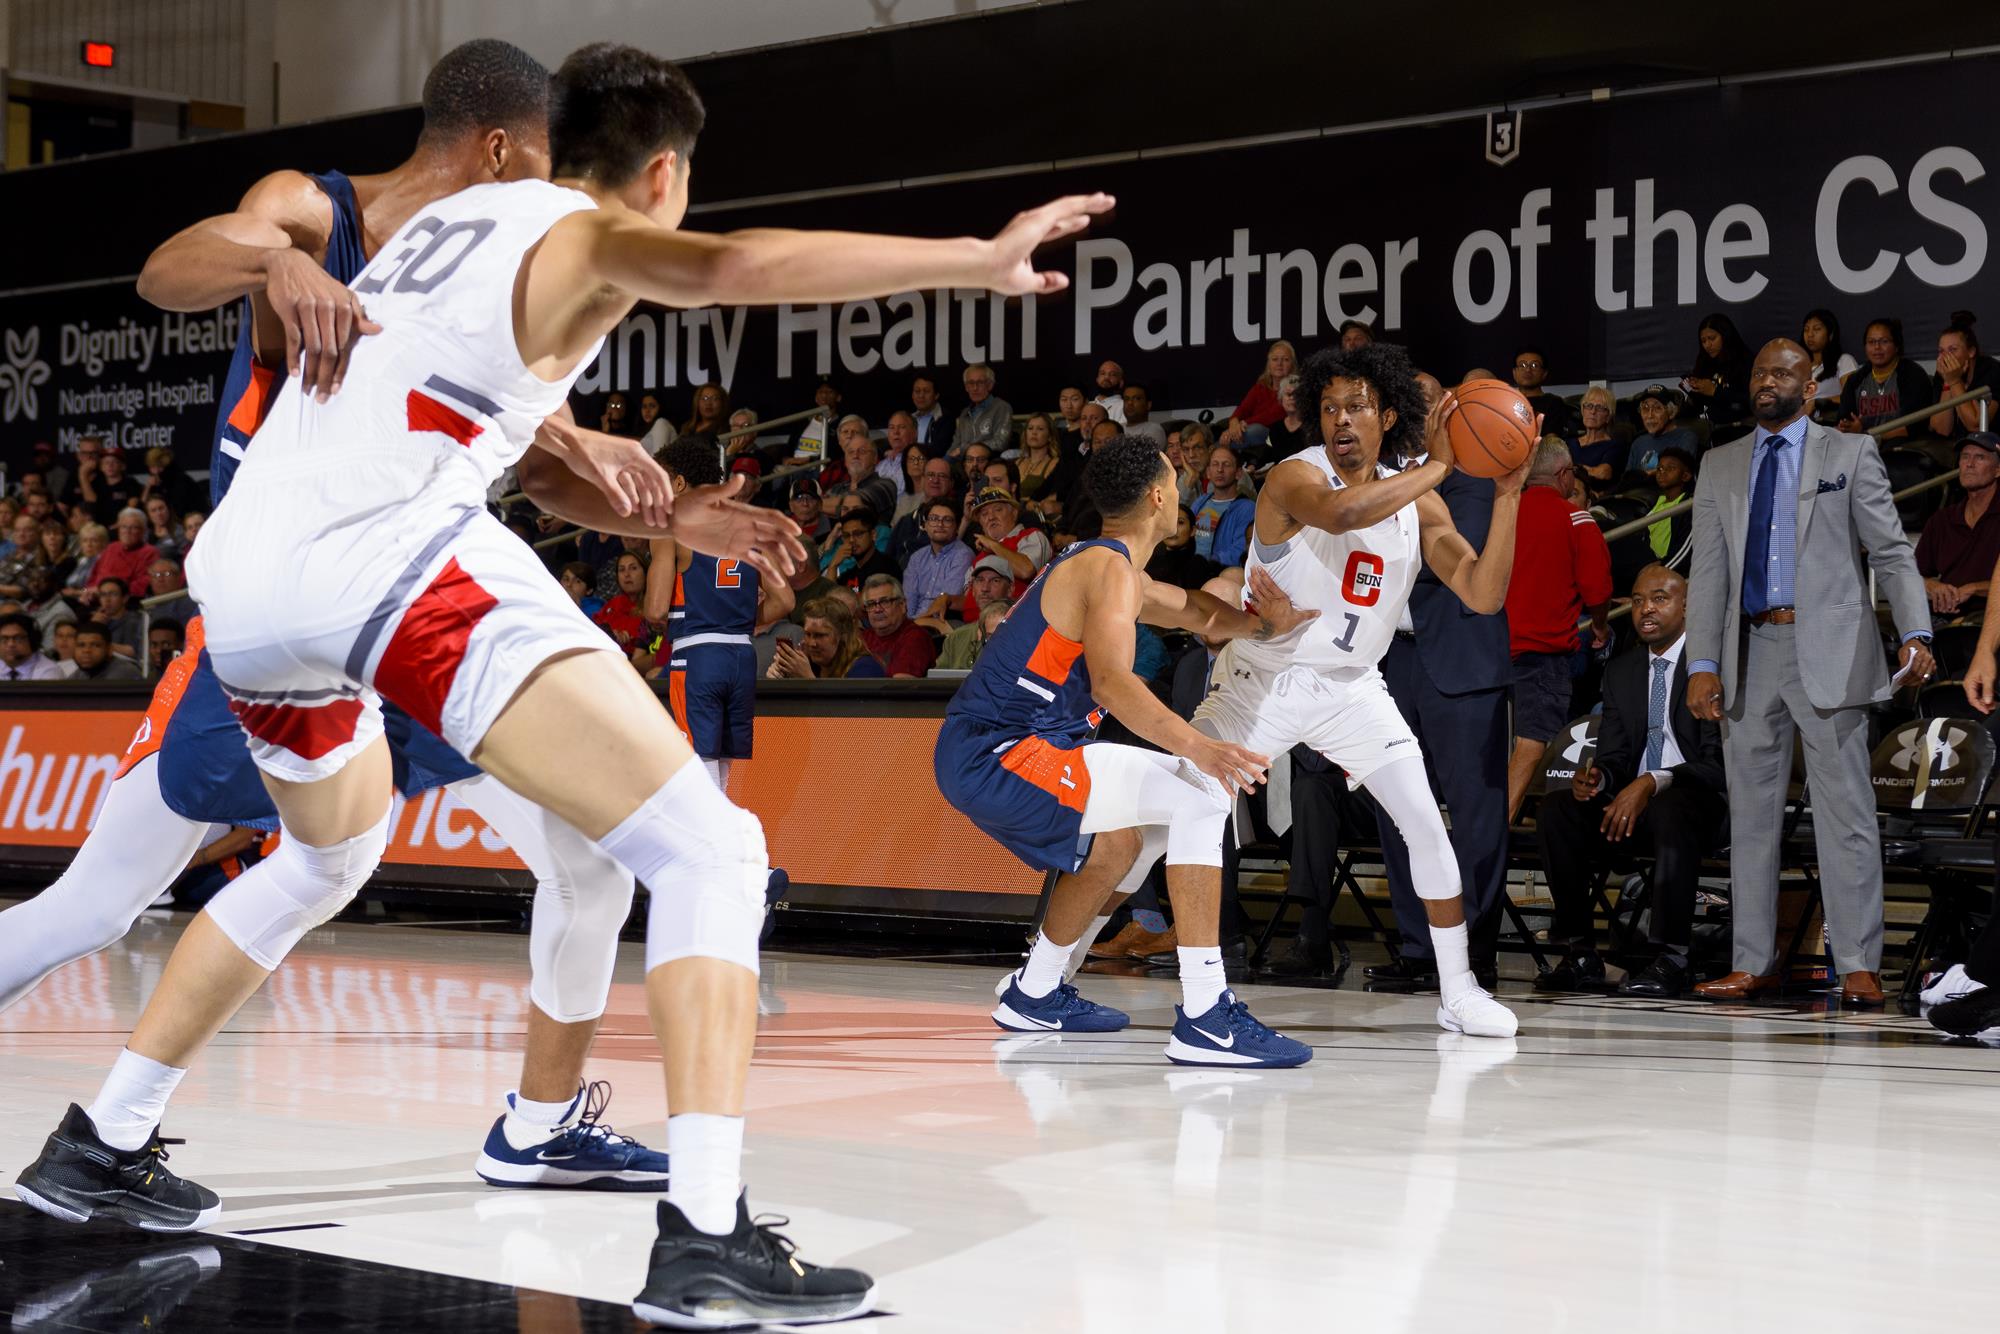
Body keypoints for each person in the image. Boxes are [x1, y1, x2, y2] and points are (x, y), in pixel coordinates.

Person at [17, 40, 1111, 1325]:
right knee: (712, 852)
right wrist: (971, 259)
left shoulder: (443, 227)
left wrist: (666, 519)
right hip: (389, 565)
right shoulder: (578, 230)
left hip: (247, 592)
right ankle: (706, 1231)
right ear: (660, 172)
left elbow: (504, 432)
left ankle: (105, 1134)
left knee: (325, 855)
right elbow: (740, 270)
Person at [10, 38, 678, 1209]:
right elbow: (168, 270)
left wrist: (606, 465)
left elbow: (514, 448)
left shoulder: (481, 271)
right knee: (105, 899)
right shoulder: (315, 214)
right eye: (548, 169)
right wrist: (275, 264)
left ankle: (540, 1120)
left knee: (585, 853)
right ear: (502, 149)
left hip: (407, 608)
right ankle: (111, 1134)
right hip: (278, 615)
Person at [936, 434, 1316, 1065]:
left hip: (1001, 746)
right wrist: (1201, 748)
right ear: (1160, 496)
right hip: (1000, 749)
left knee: (1129, 841)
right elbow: (1112, 682)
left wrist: (1268, 623)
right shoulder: (1106, 569)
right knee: (1200, 791)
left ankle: (1034, 992)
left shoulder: (1109, 567)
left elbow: (1198, 614)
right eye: (1177, 480)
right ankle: (1205, 1015)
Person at [1191, 343, 1525, 1038]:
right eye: (1329, 407)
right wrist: (1439, 464)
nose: (1340, 420)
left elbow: (1483, 594)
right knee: (1175, 814)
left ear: (1389, 416)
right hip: (1266, 678)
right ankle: (1048, 970)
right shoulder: (1291, 476)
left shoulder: (1419, 502)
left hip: (1352, 687)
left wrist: (1508, 493)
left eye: (1357, 407)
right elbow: (1342, 517)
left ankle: (1458, 991)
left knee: (1427, 826)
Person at [1687, 338, 1933, 1008]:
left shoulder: (1850, 453)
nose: (1768, 381)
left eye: (1783, 372)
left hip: (1831, 647)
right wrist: (1702, 662)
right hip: (1751, 650)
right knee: (1752, 818)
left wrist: (1915, 631)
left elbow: (1890, 550)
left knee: (1845, 812)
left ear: (1813, 384)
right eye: (1760, 371)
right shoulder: (1720, 463)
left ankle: (1856, 961)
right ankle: (1753, 960)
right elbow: (1707, 573)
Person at [1535, 564, 1727, 997]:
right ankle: (1580, 951)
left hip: (1699, 803)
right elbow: (1617, 756)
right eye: (1638, 600)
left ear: (1687, 605)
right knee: (1559, 810)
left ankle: (1671, 956)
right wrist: (1599, 777)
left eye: (1660, 599)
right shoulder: (1621, 671)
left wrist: (1653, 782)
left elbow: (1720, 766)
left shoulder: (1709, 669)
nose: (1646, 610)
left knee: (1670, 807)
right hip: (1633, 805)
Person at [644, 437, 791, 789]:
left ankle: (715, 841)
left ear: (679, 483)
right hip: (742, 655)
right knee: (723, 766)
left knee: (700, 765)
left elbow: (655, 608)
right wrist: (736, 616)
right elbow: (785, 601)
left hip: (697, 655)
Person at [1503, 439, 1611, 820]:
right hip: (1543, 654)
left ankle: (1475, 834)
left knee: (1485, 746)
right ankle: (1492, 842)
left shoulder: (1500, 513)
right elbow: (1597, 589)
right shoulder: (1576, 519)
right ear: (1564, 475)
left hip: (1489, 650)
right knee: (1530, 744)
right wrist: (1599, 627)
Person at [1914, 432, 2000, 617]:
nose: (1969, 464)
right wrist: (1933, 586)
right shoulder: (1942, 519)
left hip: (1992, 618)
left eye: (1980, 457)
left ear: (1998, 470)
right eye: (1965, 457)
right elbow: (1913, 576)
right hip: (1946, 619)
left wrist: (1974, 588)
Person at [1836, 317, 1932, 439]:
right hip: (1862, 449)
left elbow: (1914, 427)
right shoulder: (1855, 380)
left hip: (1903, 449)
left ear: (1897, 346)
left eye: (1884, 341)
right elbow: (1844, 422)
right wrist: (1848, 426)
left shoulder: (1912, 375)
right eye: (1871, 342)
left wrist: (1866, 434)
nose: (1877, 347)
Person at [768, 596, 887, 680]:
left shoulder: (865, 669)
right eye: (808, 634)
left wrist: (807, 679)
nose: (812, 643)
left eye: (820, 635)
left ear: (843, 635)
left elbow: (847, 714)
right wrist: (781, 679)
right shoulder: (810, 664)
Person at [1928, 312, 2000, 442]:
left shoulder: (1992, 371)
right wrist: (1947, 383)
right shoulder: (1944, 375)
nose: (1945, 357)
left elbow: (1976, 426)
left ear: (1971, 352)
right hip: (1957, 449)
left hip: (1991, 447)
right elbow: (1941, 429)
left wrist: (1955, 382)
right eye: (1941, 351)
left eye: (1953, 350)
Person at [968, 486, 1052, 598]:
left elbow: (1026, 570)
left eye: (998, 510)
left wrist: (993, 545)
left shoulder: (1031, 536)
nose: (991, 517)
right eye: (984, 514)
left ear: (1014, 513)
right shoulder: (978, 557)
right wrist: (948, 599)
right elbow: (968, 598)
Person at [902, 497, 974, 620]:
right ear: (925, 525)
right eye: (934, 519)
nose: (940, 524)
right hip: (913, 623)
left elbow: (946, 602)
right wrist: (910, 625)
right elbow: (909, 600)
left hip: (943, 622)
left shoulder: (962, 555)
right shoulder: (917, 557)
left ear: (956, 526)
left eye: (947, 520)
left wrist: (916, 625)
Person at [1218, 339, 1296, 450]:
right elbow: (1242, 409)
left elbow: (1272, 415)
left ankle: (1216, 450)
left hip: (1272, 435)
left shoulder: (1293, 388)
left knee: (1255, 430)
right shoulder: (1260, 387)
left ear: (1292, 365)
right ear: (1269, 364)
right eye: (1275, 359)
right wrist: (1234, 423)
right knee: (1216, 427)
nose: (1279, 364)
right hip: (1247, 428)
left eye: (1285, 360)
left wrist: (1242, 424)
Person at [1189, 443, 1255, 567]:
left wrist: (1209, 562)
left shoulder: (1247, 508)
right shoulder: (1200, 501)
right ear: (1208, 472)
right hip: (1189, 566)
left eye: (1226, 464)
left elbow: (1240, 550)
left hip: (1218, 569)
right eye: (1215, 464)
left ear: (1238, 473)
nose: (1220, 469)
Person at [858, 574, 937, 677]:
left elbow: (900, 687)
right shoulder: (863, 638)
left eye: (885, 601)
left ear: (902, 605)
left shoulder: (914, 637)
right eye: (871, 604)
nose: (877, 609)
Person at [1684, 312, 1751, 427]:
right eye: (1703, 341)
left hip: (1742, 426)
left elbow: (1751, 400)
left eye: (1712, 338)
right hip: (1711, 427)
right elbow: (1700, 405)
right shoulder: (1704, 362)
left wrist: (1715, 391)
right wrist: (1693, 389)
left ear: (1725, 336)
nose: (1707, 345)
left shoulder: (1745, 361)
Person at [890, 453, 958, 564]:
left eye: (942, 476)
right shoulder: (906, 521)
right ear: (922, 480)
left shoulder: (957, 519)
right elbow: (889, 557)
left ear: (951, 483)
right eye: (930, 475)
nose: (935, 480)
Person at [1644, 446, 1698, 570]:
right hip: (1650, 563)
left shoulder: (1688, 505)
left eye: (1670, 468)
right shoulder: (1656, 503)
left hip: (1670, 566)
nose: (1662, 472)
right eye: (1659, 468)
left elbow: (1685, 550)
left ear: (1685, 476)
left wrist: (1662, 570)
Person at [1628, 384, 1699, 477]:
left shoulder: (1686, 437)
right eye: (1645, 408)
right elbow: (1627, 479)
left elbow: (1676, 473)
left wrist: (1643, 476)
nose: (1649, 415)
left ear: (1671, 412)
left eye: (1657, 408)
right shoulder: (1638, 443)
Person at [1143, 505, 1218, 591]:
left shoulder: (1197, 565)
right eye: (1168, 522)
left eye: (1180, 522)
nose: (1173, 528)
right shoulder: (1147, 559)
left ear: (1193, 530)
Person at [1567, 385, 1623, 494]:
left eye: (1600, 408)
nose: (1593, 412)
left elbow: (1603, 473)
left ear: (1608, 416)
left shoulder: (1614, 446)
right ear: (1583, 411)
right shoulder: (1569, 443)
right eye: (1589, 406)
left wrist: (1573, 469)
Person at [1510, 346, 1576, 438]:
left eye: (1534, 365)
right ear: (1514, 372)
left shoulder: (1553, 403)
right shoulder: (1506, 402)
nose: (1528, 370)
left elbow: (1551, 442)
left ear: (1544, 373)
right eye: (1522, 365)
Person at [92, 576, 152, 670]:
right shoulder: (96, 620)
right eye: (103, 595)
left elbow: (132, 651)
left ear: (125, 598)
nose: (107, 600)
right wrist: (94, 626)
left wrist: (99, 643)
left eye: (113, 594)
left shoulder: (135, 620)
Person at [952, 362, 1013, 454]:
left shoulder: (1002, 407)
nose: (975, 388)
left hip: (989, 462)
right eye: (971, 383)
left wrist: (964, 449)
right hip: (963, 463)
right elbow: (954, 446)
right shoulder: (965, 413)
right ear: (966, 387)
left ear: (990, 385)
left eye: (980, 383)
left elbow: (1000, 443)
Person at [934, 596, 1010, 670]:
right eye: (990, 636)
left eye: (1000, 636)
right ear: (980, 633)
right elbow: (937, 677)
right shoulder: (956, 638)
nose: (995, 642)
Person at [1801, 308, 1856, 407]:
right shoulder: (1800, 367)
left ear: (1830, 334)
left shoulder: (1843, 361)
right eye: (1806, 329)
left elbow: (1852, 398)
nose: (1810, 334)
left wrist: (1817, 403)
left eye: (1817, 329)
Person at [66, 623, 143, 680]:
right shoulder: (81, 674)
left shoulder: (124, 672)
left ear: (109, 649)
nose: (86, 650)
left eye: (95, 645)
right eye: (81, 645)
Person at [0, 612, 63, 680]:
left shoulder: (49, 672)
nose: (10, 644)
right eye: (4, 638)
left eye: (18, 638)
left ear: (32, 640)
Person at [908, 374, 949, 450]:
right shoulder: (908, 418)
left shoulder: (945, 419)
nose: (921, 396)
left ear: (936, 395)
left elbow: (939, 450)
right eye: (917, 391)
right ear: (912, 395)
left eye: (926, 391)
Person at [1119, 382, 1167, 446]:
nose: (1130, 403)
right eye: (1126, 399)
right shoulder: (1117, 428)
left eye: (1137, 398)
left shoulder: (1154, 429)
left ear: (1148, 405)